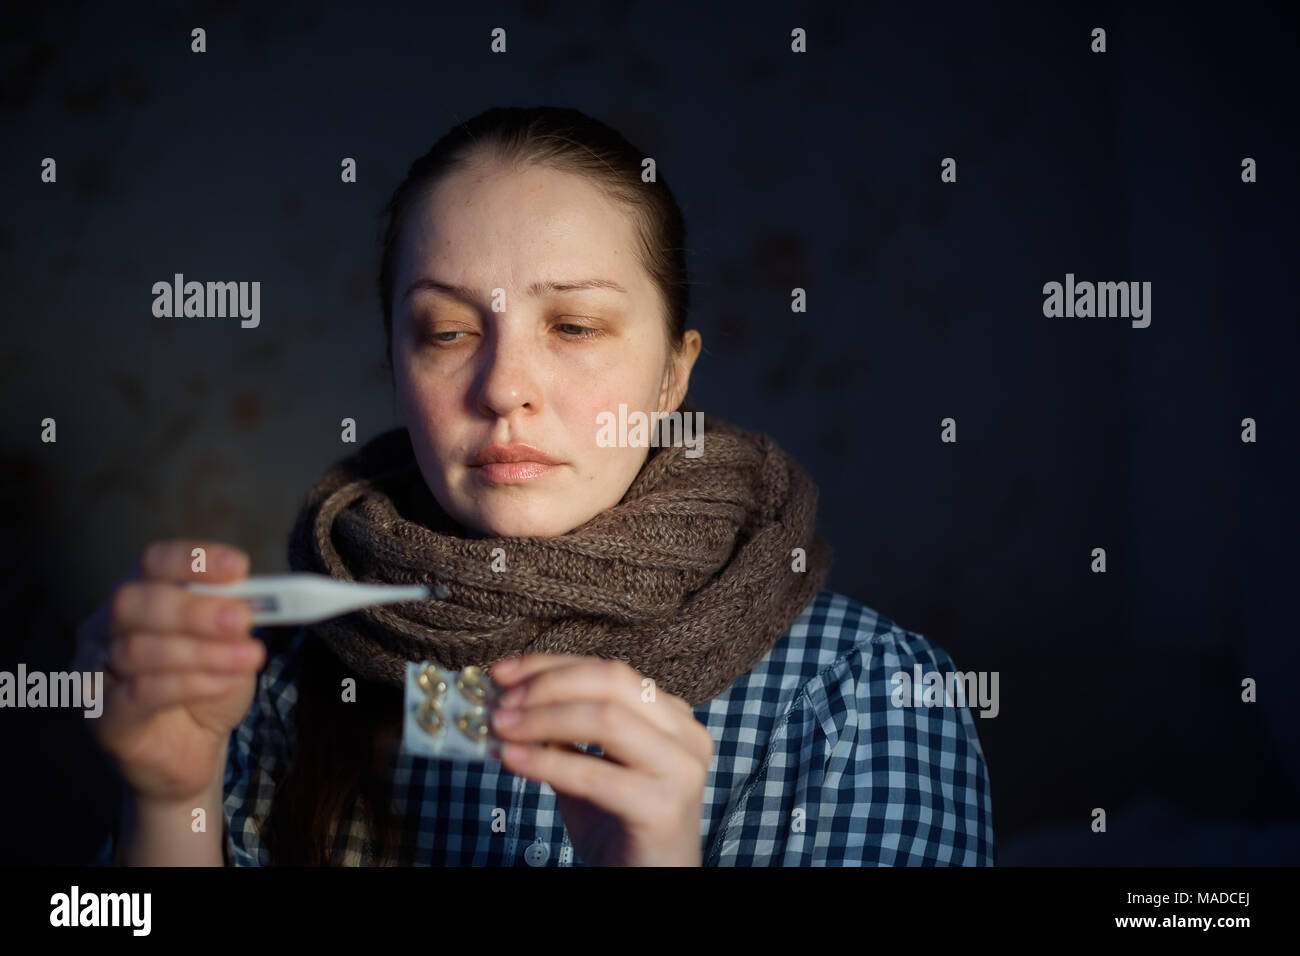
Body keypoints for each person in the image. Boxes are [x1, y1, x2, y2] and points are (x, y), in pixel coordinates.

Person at [79, 106, 995, 866]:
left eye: (576, 325)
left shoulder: (864, 696)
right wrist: (170, 803)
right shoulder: (255, 678)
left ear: (672, 377)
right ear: (395, 367)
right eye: (445, 331)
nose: (504, 388)